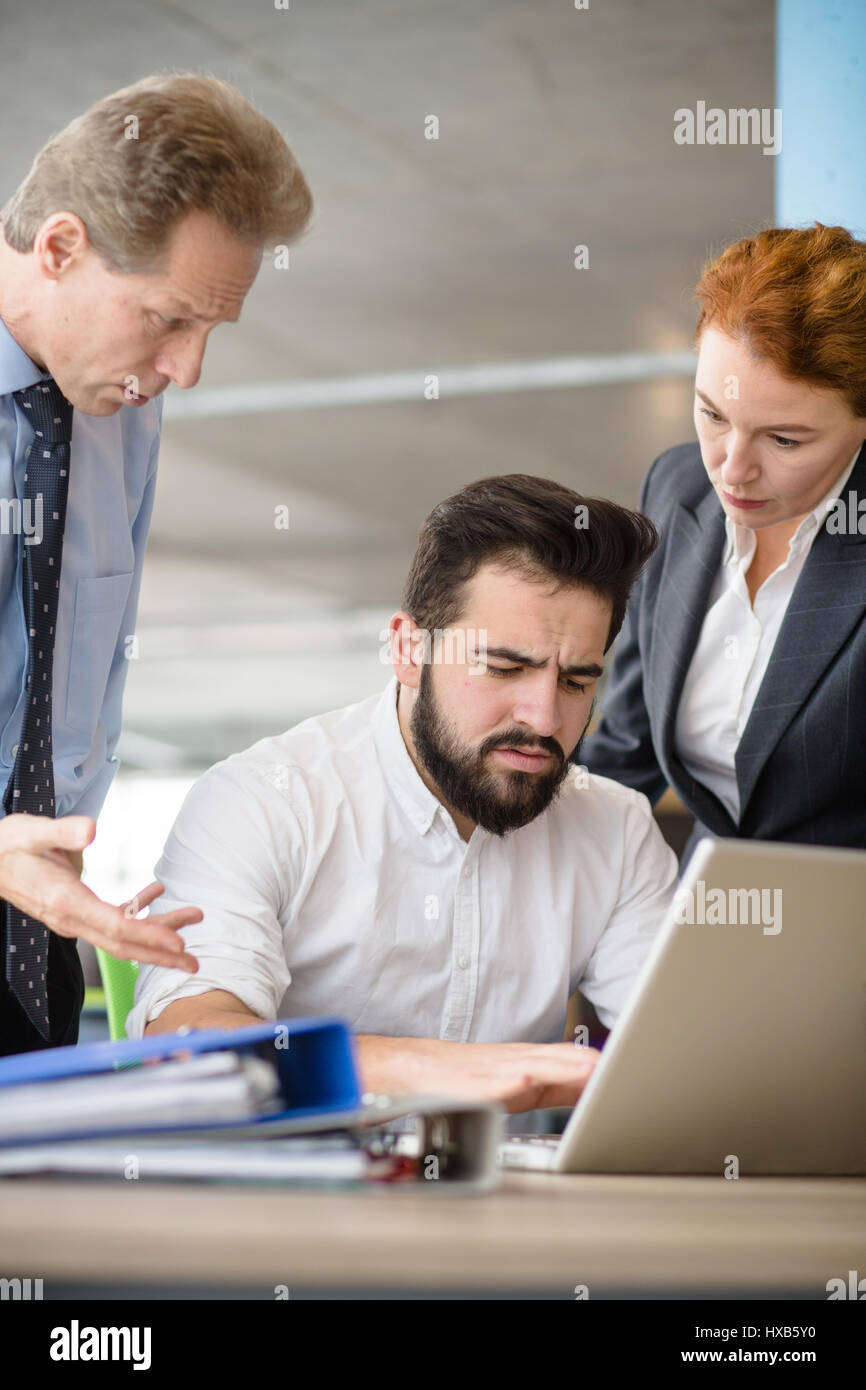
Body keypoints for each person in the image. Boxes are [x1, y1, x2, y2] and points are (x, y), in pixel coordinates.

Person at [127, 475, 678, 1113]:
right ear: (409, 649)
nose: (546, 718)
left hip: (510, 1206)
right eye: (503, 668)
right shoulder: (261, 801)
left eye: (578, 681)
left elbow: (684, 1056)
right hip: (286, 1200)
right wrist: (430, 1067)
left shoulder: (617, 828)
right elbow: (187, 1043)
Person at [0, 73, 312, 1054]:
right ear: (59, 248)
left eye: (211, 329)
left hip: (36, 936)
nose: (188, 369)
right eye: (168, 318)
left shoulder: (121, 411)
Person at [582, 224, 866, 864]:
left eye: (784, 440)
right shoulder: (676, 487)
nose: (730, 470)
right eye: (713, 414)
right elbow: (627, 745)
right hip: (710, 905)